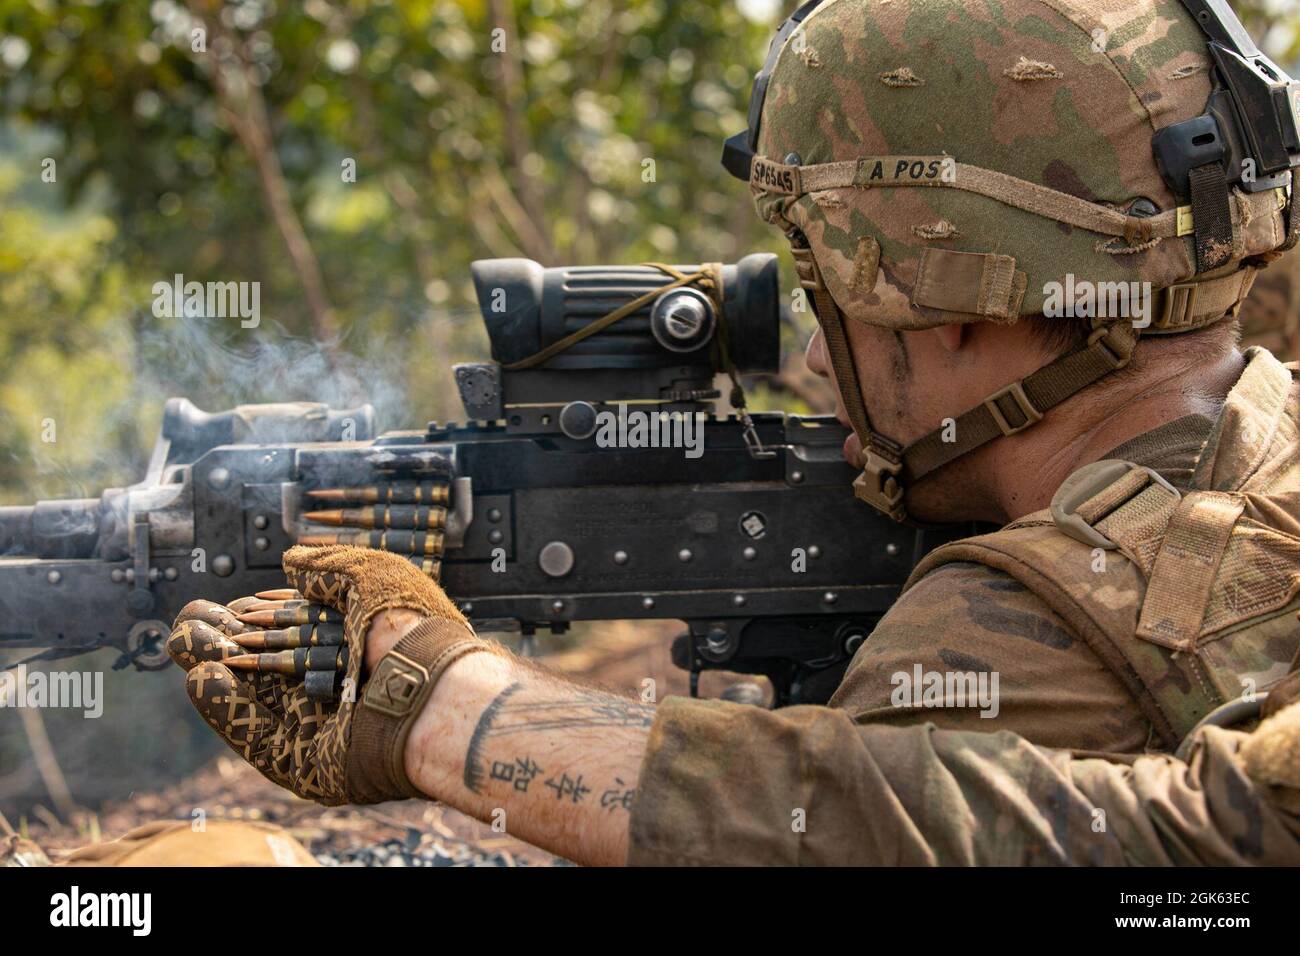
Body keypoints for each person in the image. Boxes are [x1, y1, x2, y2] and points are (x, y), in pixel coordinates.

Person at [171, 0, 1300, 865]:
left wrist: (455, 714)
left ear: (952, 304)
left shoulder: (996, 643)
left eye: (833, 293)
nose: (815, 356)